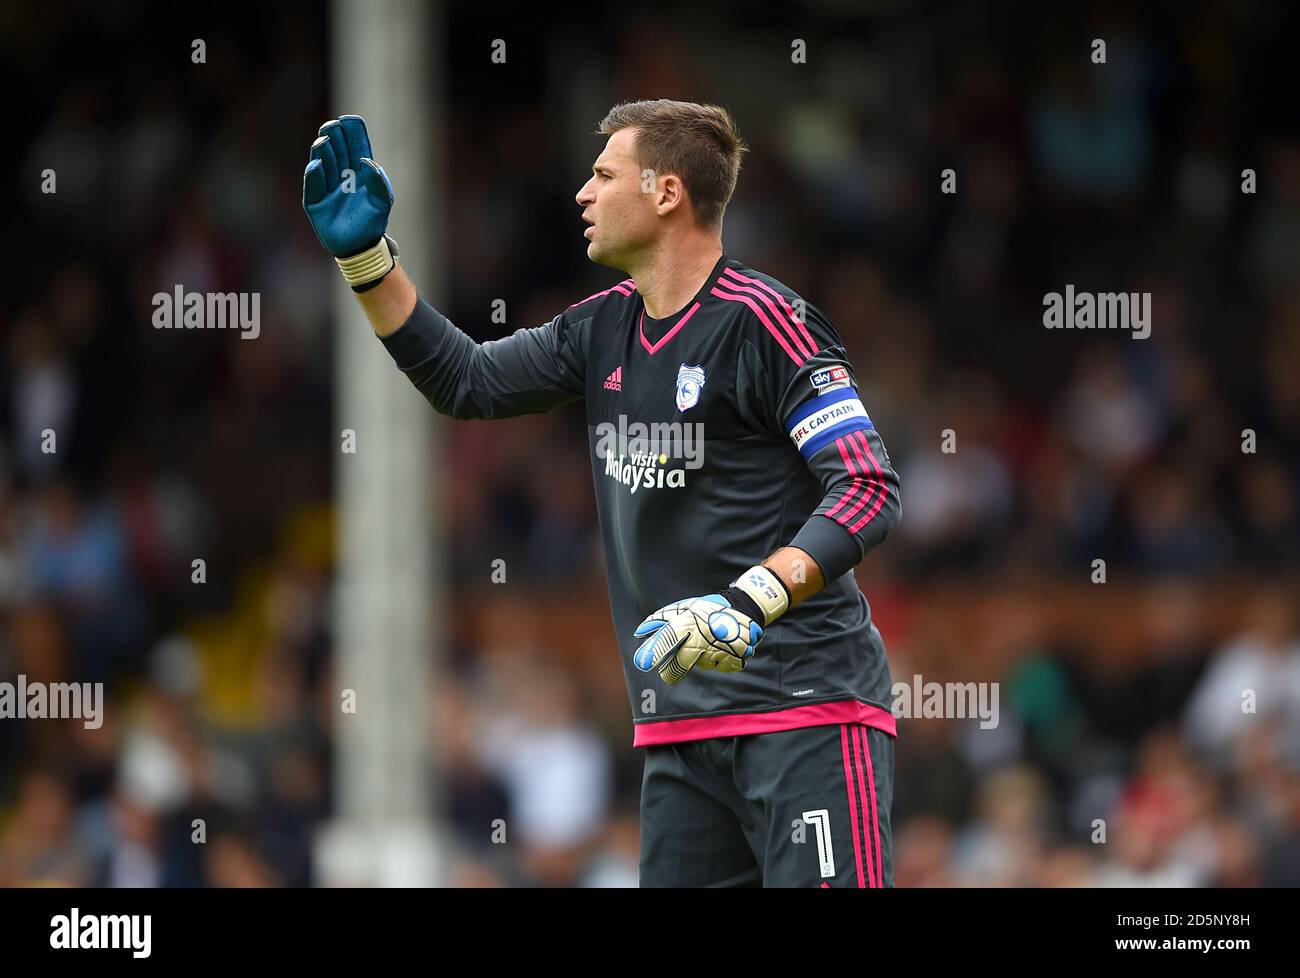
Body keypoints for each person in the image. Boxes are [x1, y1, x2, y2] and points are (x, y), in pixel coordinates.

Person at [302, 99, 902, 887]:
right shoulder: (600, 329)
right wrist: (370, 262)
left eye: (603, 174)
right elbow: (465, 380)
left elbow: (867, 485)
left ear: (666, 193)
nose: (582, 194)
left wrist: (748, 600)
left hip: (806, 715)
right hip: (680, 735)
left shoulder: (767, 322)